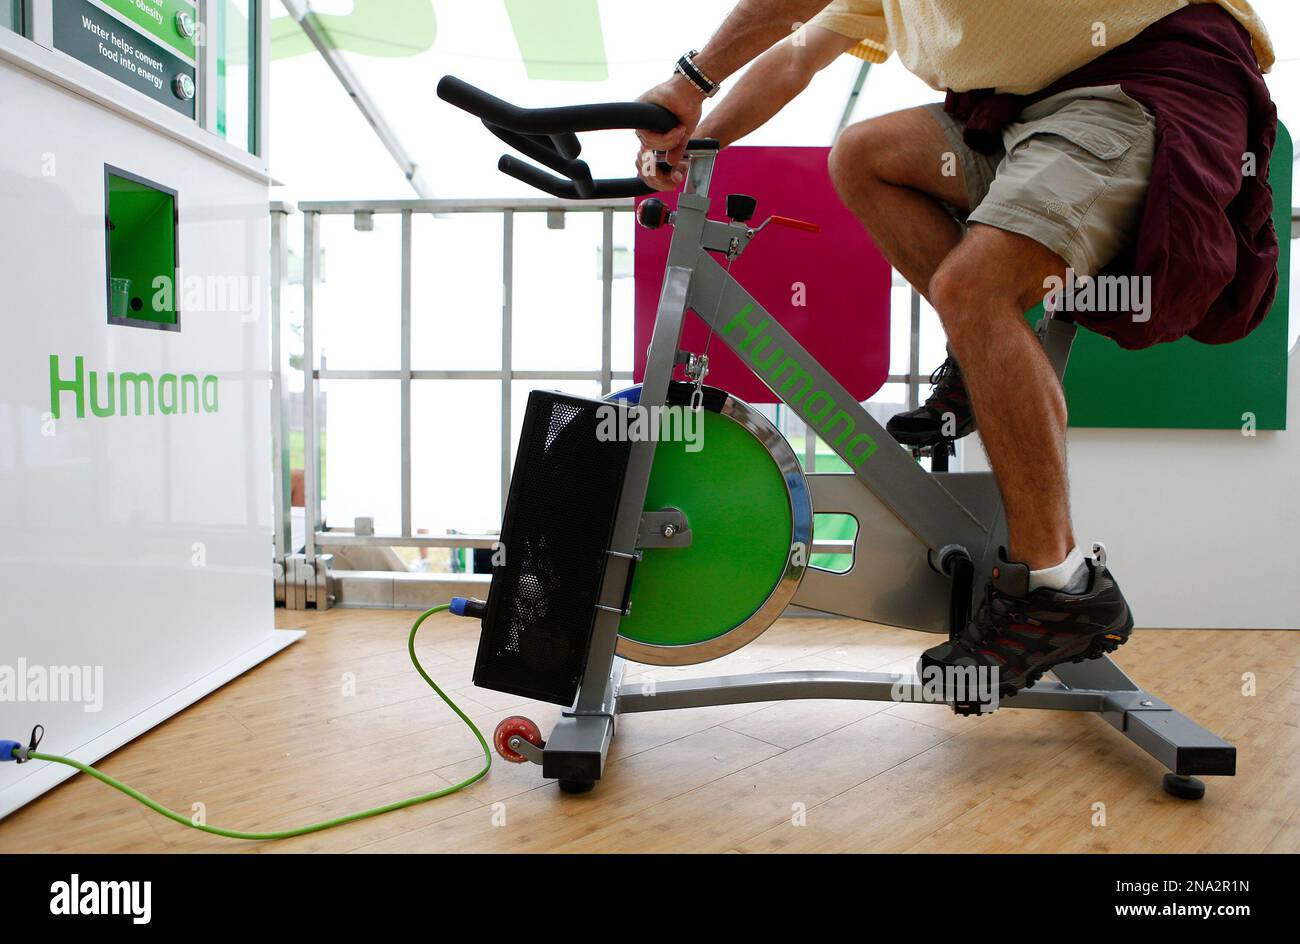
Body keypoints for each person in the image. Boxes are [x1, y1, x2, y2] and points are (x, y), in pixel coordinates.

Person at [632, 0, 1277, 696]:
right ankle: (984, 360)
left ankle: (1058, 586)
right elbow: (794, 57)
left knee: (974, 290)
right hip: (1017, 117)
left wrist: (692, 79)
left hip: (1140, 84)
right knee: (861, 154)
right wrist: (694, 147)